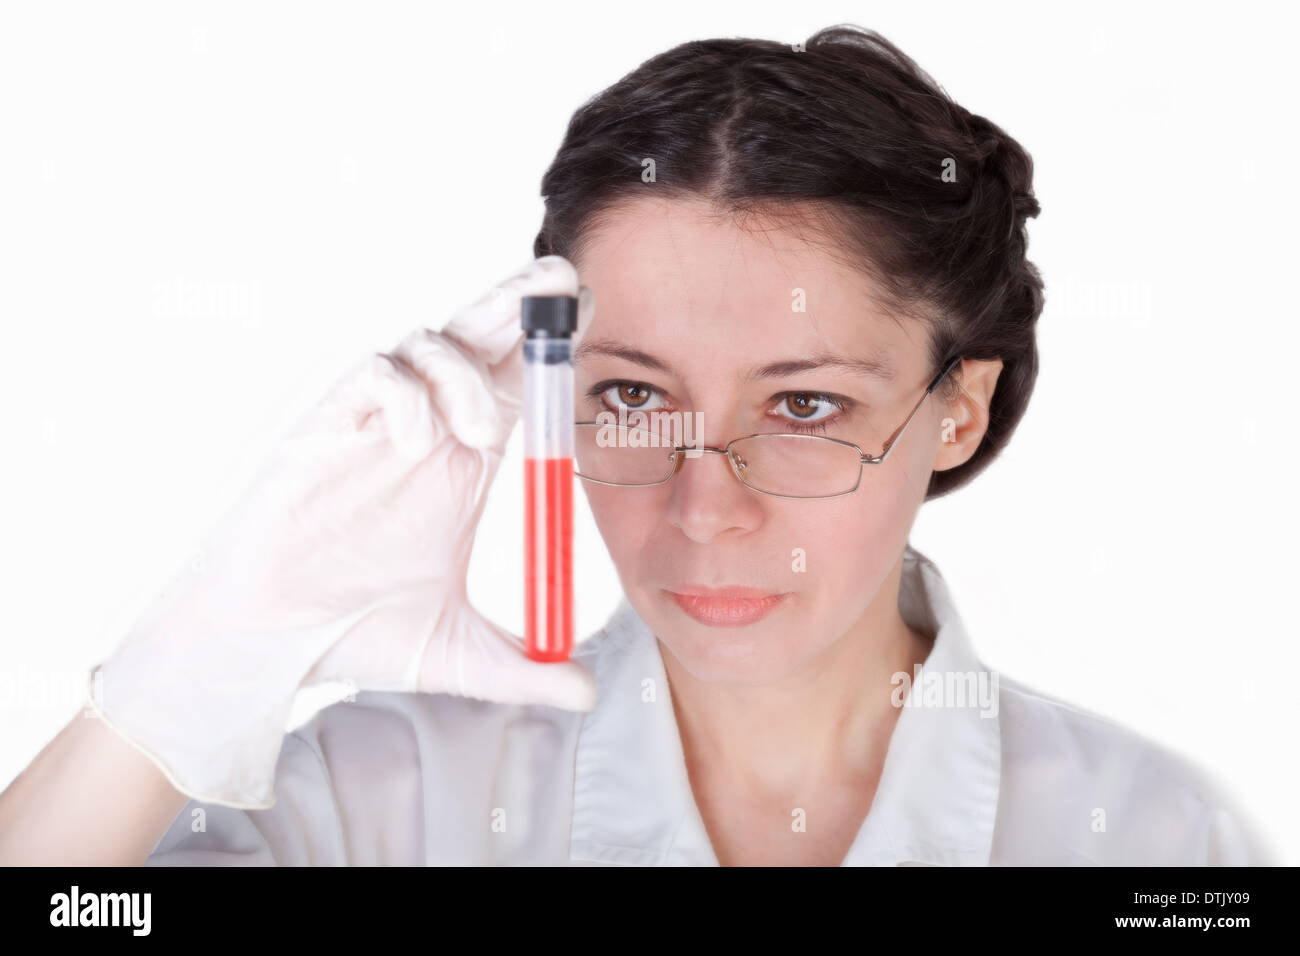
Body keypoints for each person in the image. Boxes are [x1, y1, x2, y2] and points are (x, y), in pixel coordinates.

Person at [0, 25, 1274, 867]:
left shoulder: (1153, 843)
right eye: (629, 398)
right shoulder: (379, 806)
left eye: (806, 405)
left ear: (959, 406)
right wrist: (190, 666)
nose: (702, 510)